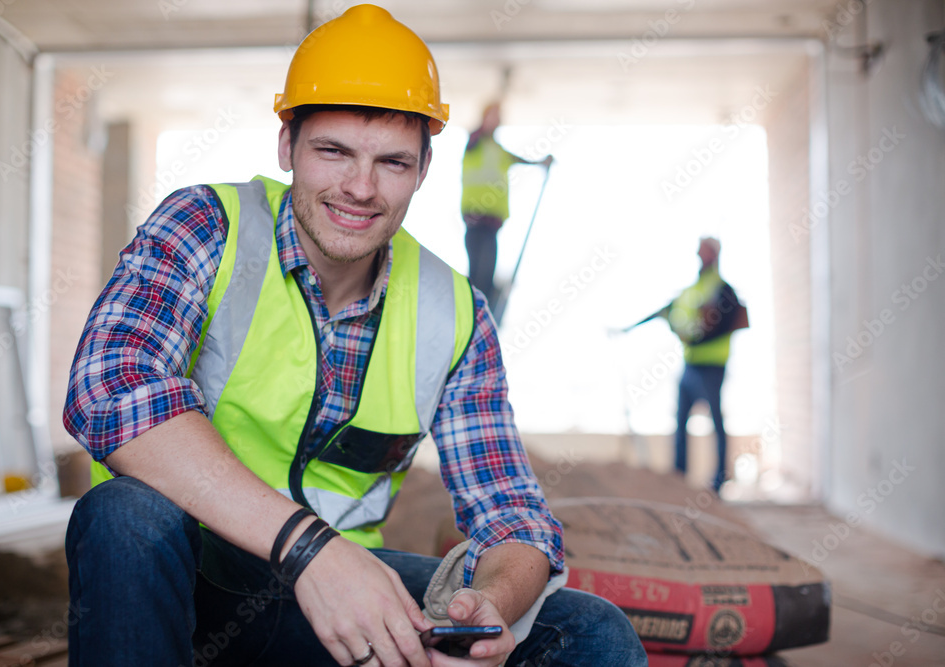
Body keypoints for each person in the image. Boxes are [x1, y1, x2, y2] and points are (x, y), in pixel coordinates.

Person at [62, 5, 646, 667]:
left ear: (424, 168)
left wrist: (490, 606)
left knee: (591, 633)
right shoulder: (207, 226)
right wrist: (309, 549)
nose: (361, 188)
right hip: (188, 578)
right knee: (124, 514)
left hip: (345, 610)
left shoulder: (453, 310)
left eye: (392, 162)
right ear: (287, 144)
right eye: (333, 151)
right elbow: (109, 389)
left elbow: (513, 513)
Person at [626, 237, 745, 492]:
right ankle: (679, 479)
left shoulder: (722, 289)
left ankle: (719, 481)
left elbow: (725, 323)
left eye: (705, 252)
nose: (700, 256)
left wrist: (694, 337)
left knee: (716, 422)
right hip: (690, 365)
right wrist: (628, 329)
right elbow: (663, 311)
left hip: (713, 366)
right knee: (681, 422)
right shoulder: (691, 291)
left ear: (714, 255)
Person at [461, 102, 552, 312]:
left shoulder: (497, 150)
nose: (497, 120)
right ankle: (474, 312)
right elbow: (478, 134)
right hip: (476, 219)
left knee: (487, 274)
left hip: (492, 222)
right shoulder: (474, 142)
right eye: (492, 116)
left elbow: (518, 159)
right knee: (479, 274)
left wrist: (541, 163)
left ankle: (486, 308)